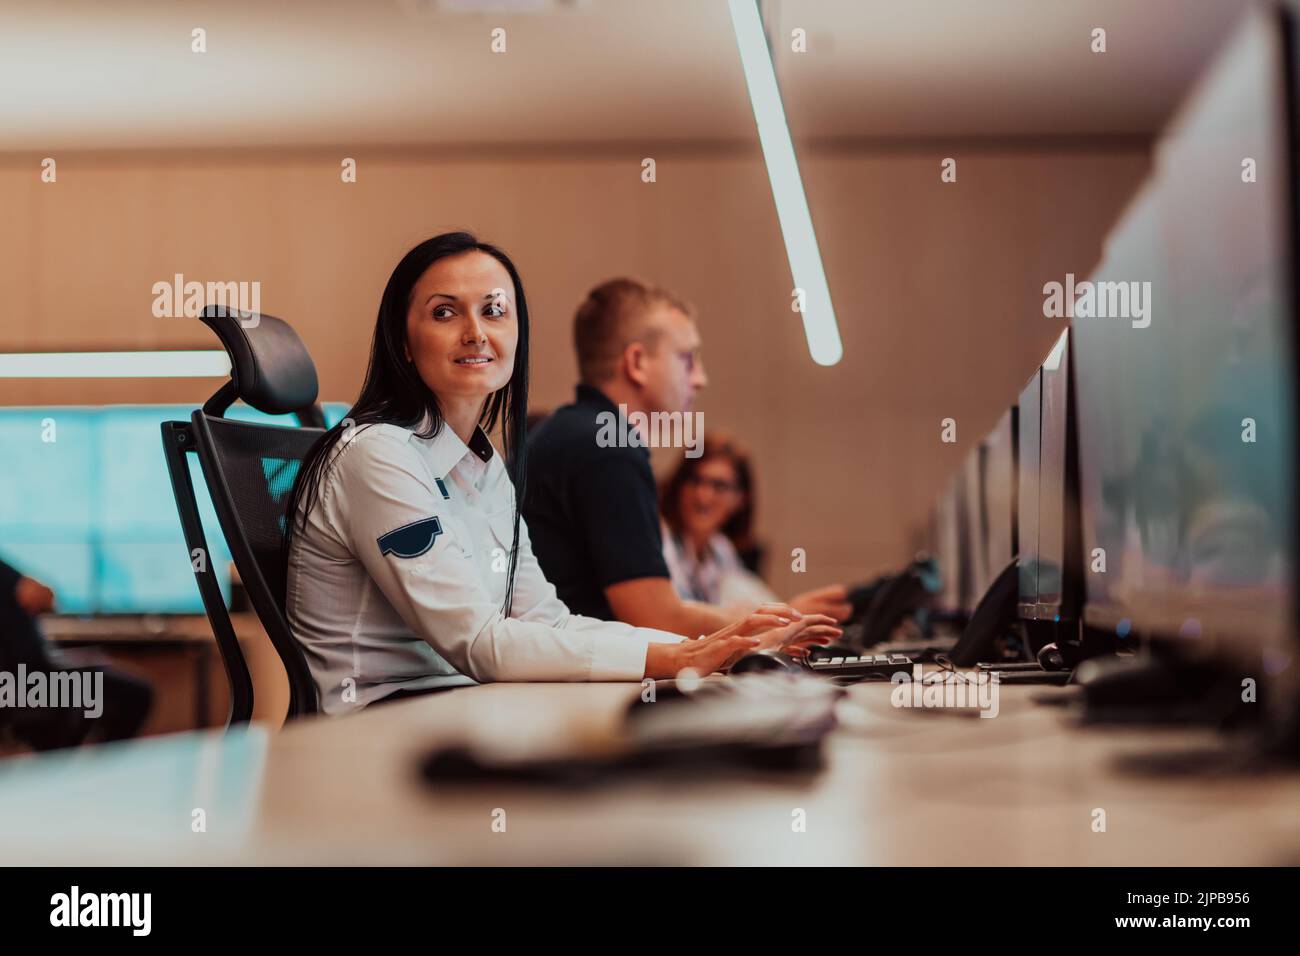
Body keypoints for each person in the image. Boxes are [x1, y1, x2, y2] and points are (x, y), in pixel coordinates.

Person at [283, 234, 838, 715]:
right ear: (403, 343)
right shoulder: (375, 453)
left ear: (518, 332)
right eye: (445, 312)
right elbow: (478, 642)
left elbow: (549, 619)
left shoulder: (481, 465)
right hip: (378, 727)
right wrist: (683, 655)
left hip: (454, 701)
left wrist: (711, 645)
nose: (476, 332)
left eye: (494, 310)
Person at [523, 278, 851, 636]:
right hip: (572, 686)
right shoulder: (608, 449)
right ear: (637, 362)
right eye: (687, 358)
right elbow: (656, 618)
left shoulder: (573, 431)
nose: (700, 378)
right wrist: (780, 622)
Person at [660, 433, 848, 618]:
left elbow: (743, 605)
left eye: (719, 486)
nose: (703, 495)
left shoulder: (720, 549)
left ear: (741, 498)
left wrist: (789, 614)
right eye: (695, 481)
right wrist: (787, 613)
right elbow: (672, 618)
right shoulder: (659, 540)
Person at [0, 558, 153, 751]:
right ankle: (94, 771)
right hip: (31, 680)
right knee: (137, 694)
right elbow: (43, 597)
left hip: (29, 676)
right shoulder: (7, 577)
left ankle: (77, 767)